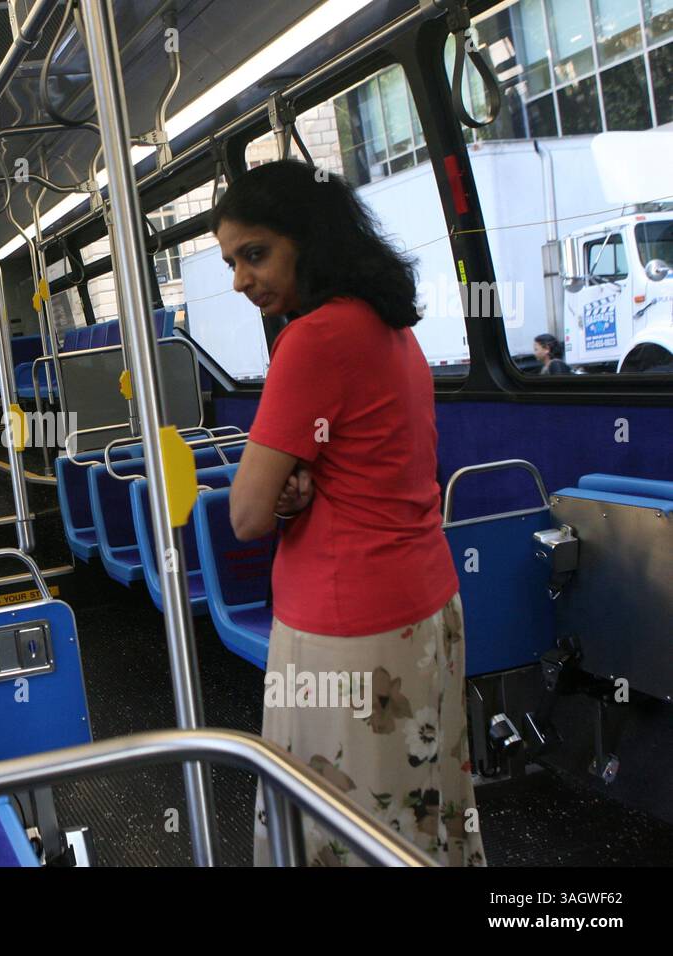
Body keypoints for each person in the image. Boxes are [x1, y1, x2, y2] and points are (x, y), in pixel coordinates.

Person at [213, 160, 483, 867]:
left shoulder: (312, 340)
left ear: (309, 240)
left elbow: (244, 513)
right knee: (420, 809)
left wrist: (281, 490)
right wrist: (297, 485)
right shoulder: (391, 328)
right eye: (232, 262)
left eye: (255, 253)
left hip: (348, 629)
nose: (240, 279)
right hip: (426, 608)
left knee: (344, 825)